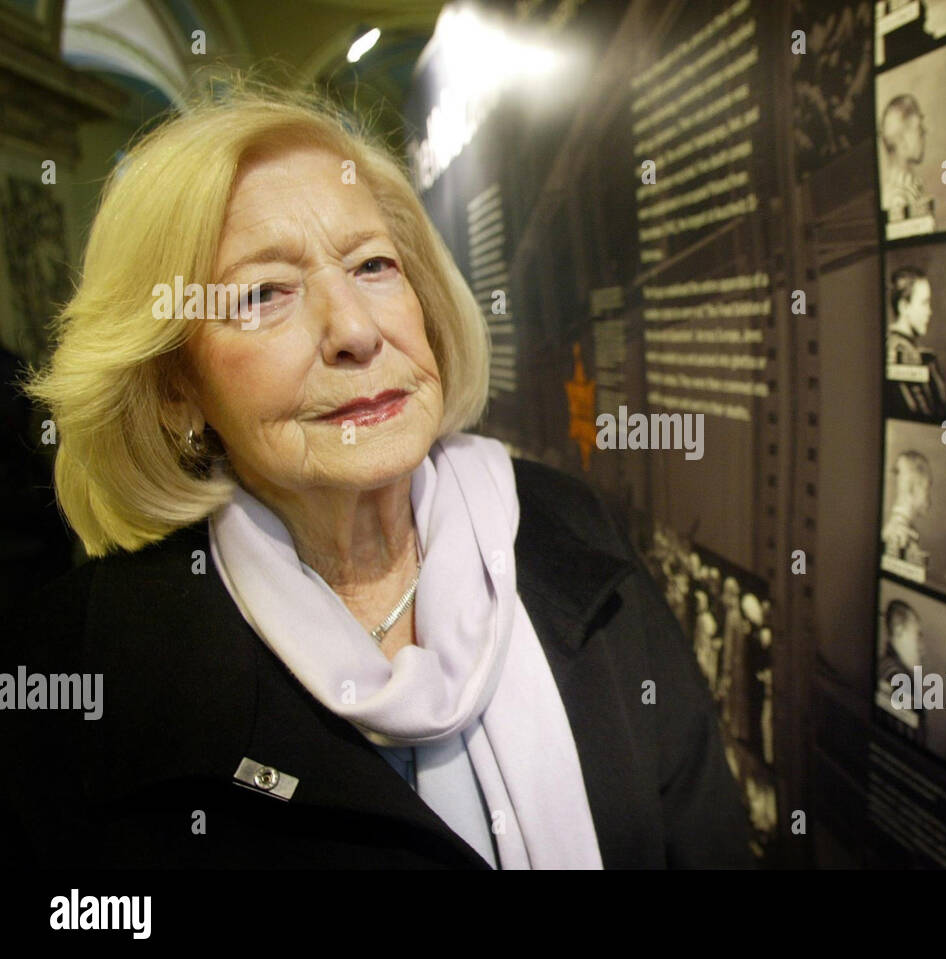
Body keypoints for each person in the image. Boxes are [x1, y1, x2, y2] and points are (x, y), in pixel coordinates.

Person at [0, 85, 753, 870]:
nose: (356, 329)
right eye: (263, 293)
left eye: (373, 265)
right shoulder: (77, 679)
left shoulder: (569, 526)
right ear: (175, 385)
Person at [885, 266, 946, 419]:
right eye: (924, 303)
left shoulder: (902, 348)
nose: (929, 311)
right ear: (904, 307)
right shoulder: (901, 352)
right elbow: (921, 414)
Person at [874, 599, 927, 746]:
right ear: (898, 631)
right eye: (918, 636)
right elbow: (910, 747)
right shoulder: (901, 681)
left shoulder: (881, 666)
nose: (923, 648)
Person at [879, 93, 933, 225]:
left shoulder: (910, 186)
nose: (925, 132)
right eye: (919, 128)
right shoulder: (898, 199)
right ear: (902, 141)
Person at [881, 449, 932, 573]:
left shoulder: (901, 532)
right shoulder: (899, 537)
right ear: (915, 487)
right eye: (928, 487)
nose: (929, 497)